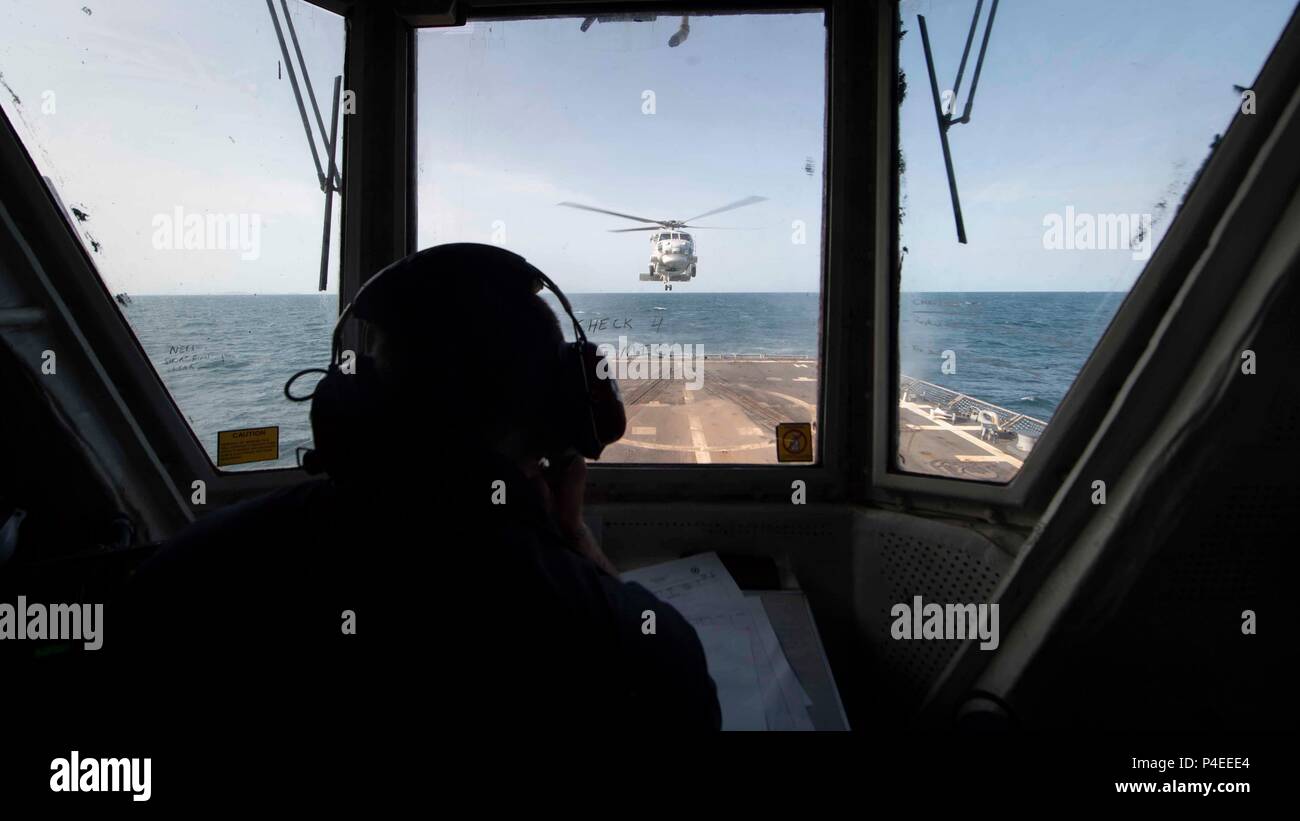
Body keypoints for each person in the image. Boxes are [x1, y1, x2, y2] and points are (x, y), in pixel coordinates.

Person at [117, 244, 722, 733]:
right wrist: (577, 545)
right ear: (563, 417)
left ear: (353, 401)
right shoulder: (642, 654)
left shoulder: (184, 575)